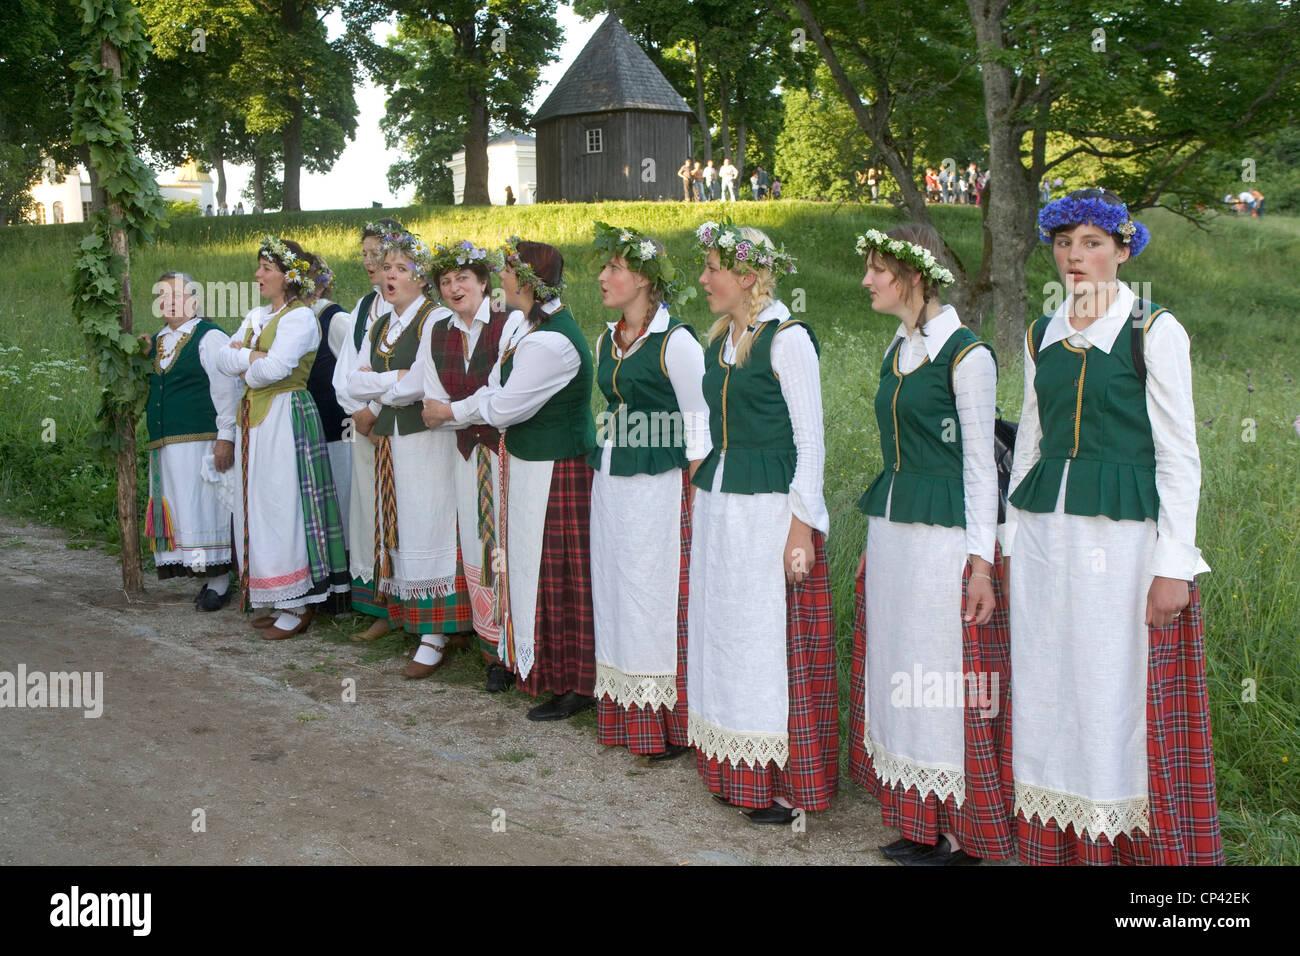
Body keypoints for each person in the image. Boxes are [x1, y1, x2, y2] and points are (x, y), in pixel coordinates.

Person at [1002, 188, 1222, 865]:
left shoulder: (1153, 331)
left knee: (1110, 684)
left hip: (1121, 543)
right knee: (1048, 680)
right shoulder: (1043, 333)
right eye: (1065, 243)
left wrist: (1173, 565)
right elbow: (1031, 445)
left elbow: (1180, 456)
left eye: (1092, 243)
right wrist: (1011, 541)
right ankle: (1054, 842)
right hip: (1047, 537)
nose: (1075, 256)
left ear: (1123, 251)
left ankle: (1119, 848)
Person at [848, 225, 1011, 866]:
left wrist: (981, 562)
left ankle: (963, 835)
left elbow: (979, 466)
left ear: (913, 278)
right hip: (895, 534)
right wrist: (873, 537)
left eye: (876, 270)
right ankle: (918, 818)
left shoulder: (968, 356)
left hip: (945, 540)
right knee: (900, 669)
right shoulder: (898, 346)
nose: (866, 281)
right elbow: (894, 451)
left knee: (940, 677)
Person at [688, 219, 836, 824]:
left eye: (713, 269)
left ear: (747, 276)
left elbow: (811, 440)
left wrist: (801, 527)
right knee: (725, 633)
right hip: (723, 507)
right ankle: (732, 765)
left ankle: (780, 782)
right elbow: (704, 417)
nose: (703, 280)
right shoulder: (722, 339)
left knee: (762, 642)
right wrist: (701, 459)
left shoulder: (787, 338)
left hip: (768, 513)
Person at [424, 240, 599, 722]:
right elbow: (500, 393)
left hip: (558, 466)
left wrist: (451, 410)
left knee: (561, 574)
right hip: (534, 465)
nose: (500, 278)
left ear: (526, 281)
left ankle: (576, 681)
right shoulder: (528, 327)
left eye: (505, 271)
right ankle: (548, 669)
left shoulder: (550, 341)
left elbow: (503, 406)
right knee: (537, 570)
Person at [589, 223, 710, 760]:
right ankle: (624, 714)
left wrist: (696, 496)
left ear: (643, 278)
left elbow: (699, 421)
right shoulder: (605, 338)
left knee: (653, 595)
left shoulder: (676, 341)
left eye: (613, 267)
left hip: (659, 487)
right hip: (611, 482)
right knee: (615, 587)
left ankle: (666, 725)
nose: (602, 276)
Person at [347, 233, 474, 678]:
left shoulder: (434, 318)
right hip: (395, 436)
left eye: (401, 269)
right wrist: (390, 380)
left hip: (428, 437)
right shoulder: (383, 324)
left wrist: (382, 383)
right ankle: (417, 622)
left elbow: (423, 380)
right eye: (386, 268)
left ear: (421, 278)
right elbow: (351, 382)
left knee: (429, 522)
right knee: (402, 522)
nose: (390, 276)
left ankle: (436, 633)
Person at [214, 236, 349, 638]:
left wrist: (246, 360)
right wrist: (248, 360)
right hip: (256, 418)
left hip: (286, 415)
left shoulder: (300, 318)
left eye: (266, 268)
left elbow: (274, 370)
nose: (257, 274)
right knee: (259, 501)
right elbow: (224, 358)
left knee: (285, 502)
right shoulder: (259, 315)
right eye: (259, 267)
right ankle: (278, 595)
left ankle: (299, 602)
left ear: (288, 276)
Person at [416, 239, 518, 691]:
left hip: (509, 454)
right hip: (467, 456)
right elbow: (431, 397)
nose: (454, 288)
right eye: (445, 282)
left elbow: (500, 396)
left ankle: (522, 648)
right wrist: (456, 410)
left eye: (463, 278)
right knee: (478, 544)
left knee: (509, 544)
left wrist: (456, 411)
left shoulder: (509, 322)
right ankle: (493, 651)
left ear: (483, 282)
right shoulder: (437, 331)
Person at [141, 271, 242, 610]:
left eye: (177, 295)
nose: (169, 302)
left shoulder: (208, 337)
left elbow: (227, 389)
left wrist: (226, 437)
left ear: (195, 301)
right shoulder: (158, 340)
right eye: (162, 296)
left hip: (201, 441)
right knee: (181, 508)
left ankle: (219, 580)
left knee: (203, 505)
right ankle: (201, 574)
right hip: (166, 446)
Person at [332, 219, 402, 641]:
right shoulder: (363, 307)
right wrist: (359, 412)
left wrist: (377, 410)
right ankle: (376, 601)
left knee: (400, 513)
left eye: (377, 254)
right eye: (364, 255)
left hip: (398, 424)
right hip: (364, 426)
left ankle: (407, 603)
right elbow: (346, 370)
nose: (369, 263)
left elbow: (415, 370)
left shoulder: (421, 304)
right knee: (369, 510)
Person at [303, 254, 353, 561]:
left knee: (343, 493)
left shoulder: (334, 319)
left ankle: (346, 566)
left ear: (319, 289)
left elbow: (358, 366)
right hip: (311, 430)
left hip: (341, 428)